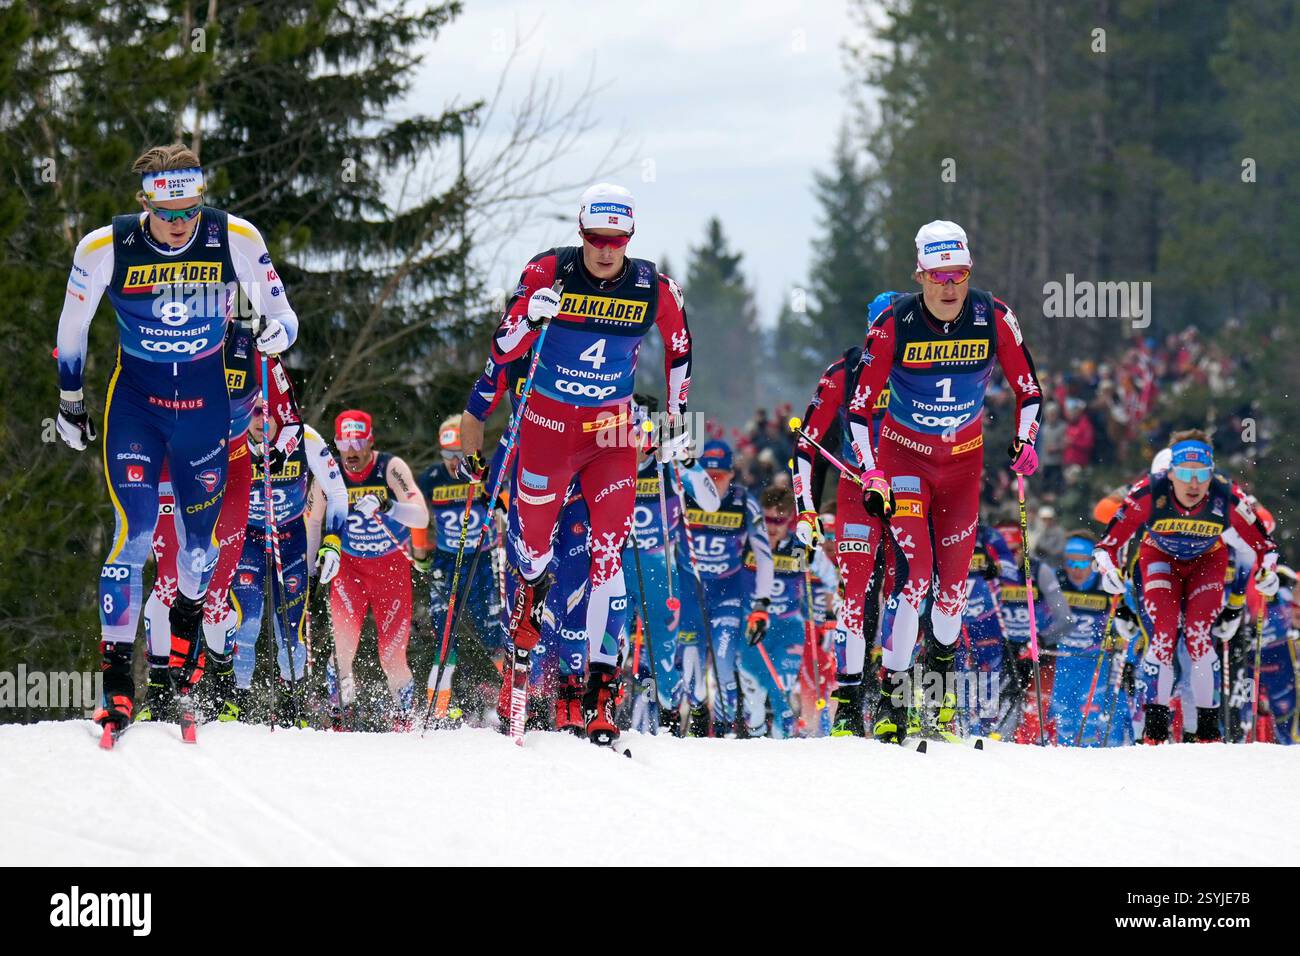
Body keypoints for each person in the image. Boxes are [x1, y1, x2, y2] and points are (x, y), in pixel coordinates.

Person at [56, 144, 298, 737]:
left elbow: (285, 318)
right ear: (144, 203)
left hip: (203, 412)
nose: (180, 226)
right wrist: (69, 402)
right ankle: (116, 688)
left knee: (197, 553)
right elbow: (71, 328)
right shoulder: (104, 246)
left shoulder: (233, 236)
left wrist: (272, 331)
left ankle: (185, 668)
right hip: (136, 407)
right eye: (168, 215)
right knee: (133, 534)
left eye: (191, 212)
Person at [470, 182, 693, 746]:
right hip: (547, 428)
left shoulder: (654, 286)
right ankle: (526, 627)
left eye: (615, 240)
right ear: (581, 234)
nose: (604, 250)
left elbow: (680, 347)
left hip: (611, 431)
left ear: (629, 238)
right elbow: (501, 351)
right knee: (534, 554)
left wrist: (674, 421)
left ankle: (594, 691)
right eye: (596, 238)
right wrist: (527, 319)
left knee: (607, 557)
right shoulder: (548, 270)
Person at [844, 221, 1044, 743]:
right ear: (921, 275)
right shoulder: (895, 322)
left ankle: (939, 697)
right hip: (905, 460)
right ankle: (892, 695)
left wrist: (1026, 441)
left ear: (968, 273)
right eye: (938, 276)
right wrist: (871, 471)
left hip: (963, 465)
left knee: (952, 591)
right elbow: (860, 408)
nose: (949, 287)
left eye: (957, 275)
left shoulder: (993, 316)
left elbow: (1030, 391)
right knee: (915, 577)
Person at [139, 330, 302, 723]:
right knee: (168, 581)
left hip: (232, 472)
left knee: (215, 597)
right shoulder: (173, 337)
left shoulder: (259, 354)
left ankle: (226, 691)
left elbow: (292, 422)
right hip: (175, 468)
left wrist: (276, 452)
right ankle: (159, 689)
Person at [1093, 429, 1279, 743]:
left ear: (1212, 472)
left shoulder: (1226, 494)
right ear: (1168, 472)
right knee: (1163, 636)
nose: (1192, 485)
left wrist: (1263, 577)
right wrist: (1115, 589)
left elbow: (1264, 544)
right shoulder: (1148, 490)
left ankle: (1207, 731)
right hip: (1158, 557)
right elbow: (1109, 544)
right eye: (1183, 474)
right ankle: (1153, 731)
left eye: (1201, 475)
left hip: (1207, 560)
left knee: (1197, 636)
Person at [791, 290, 900, 738]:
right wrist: (807, 508)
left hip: (913, 494)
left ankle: (900, 698)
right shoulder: (847, 370)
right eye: (880, 327)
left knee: (907, 593)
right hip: (857, 488)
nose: (887, 338)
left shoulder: (926, 369)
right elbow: (808, 444)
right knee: (855, 596)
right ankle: (850, 704)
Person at [224, 405, 347, 725]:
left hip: (291, 537)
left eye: (268, 413)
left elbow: (337, 492)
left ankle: (293, 705)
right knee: (246, 619)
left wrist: (332, 541)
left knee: (291, 630)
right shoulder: (230, 433)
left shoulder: (305, 438)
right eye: (253, 413)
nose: (261, 422)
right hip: (248, 536)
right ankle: (236, 702)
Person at [319, 409, 428, 729]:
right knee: (343, 648)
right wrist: (312, 566)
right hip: (348, 567)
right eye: (343, 443)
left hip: (390, 568)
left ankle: (406, 716)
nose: (351, 451)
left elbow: (421, 517)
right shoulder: (330, 470)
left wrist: (388, 506)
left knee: (392, 656)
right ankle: (339, 710)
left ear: (370, 442)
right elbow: (313, 520)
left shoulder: (390, 468)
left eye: (358, 443)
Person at [675, 440, 774, 737]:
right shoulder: (683, 495)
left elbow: (765, 556)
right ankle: (697, 717)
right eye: (710, 475)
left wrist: (762, 606)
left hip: (726, 592)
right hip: (689, 591)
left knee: (723, 659)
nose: (716, 482)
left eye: (722, 476)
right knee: (691, 668)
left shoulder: (745, 502)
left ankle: (724, 725)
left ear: (732, 474)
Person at [414, 414, 506, 723]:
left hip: (482, 559)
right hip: (447, 559)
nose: (454, 462)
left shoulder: (485, 472)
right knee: (444, 632)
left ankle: (512, 702)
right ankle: (436, 713)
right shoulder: (432, 478)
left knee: (492, 631)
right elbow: (418, 515)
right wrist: (420, 552)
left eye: (459, 454)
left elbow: (507, 502)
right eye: (447, 455)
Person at [738, 487, 811, 738]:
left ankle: (784, 745)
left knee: (781, 686)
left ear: (789, 519)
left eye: (778, 521)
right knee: (754, 696)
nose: (772, 527)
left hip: (787, 629)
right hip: (753, 629)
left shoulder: (799, 547)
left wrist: (829, 607)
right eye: (768, 520)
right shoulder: (747, 543)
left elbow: (827, 575)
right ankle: (756, 742)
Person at [1050, 530, 1133, 746]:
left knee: (1088, 715)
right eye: (1071, 563)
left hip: (1094, 661)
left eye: (1082, 564)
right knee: (1062, 717)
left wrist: (1120, 642)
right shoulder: (1056, 581)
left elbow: (1128, 617)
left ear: (1093, 563)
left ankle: (1090, 760)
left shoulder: (1106, 586)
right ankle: (1061, 760)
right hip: (1063, 659)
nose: (1075, 570)